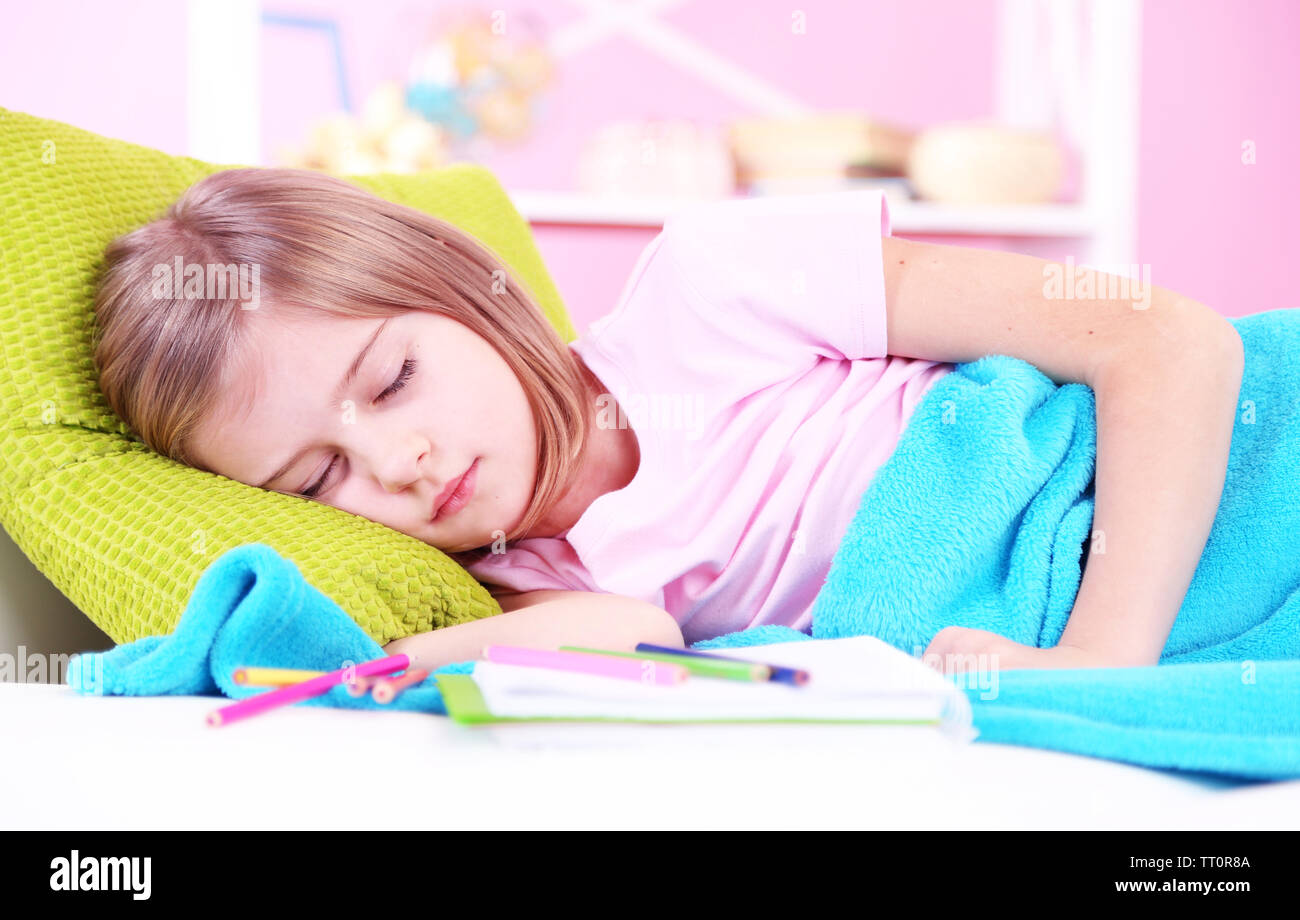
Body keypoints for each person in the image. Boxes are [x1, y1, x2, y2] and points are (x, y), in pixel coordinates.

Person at [91, 168, 1243, 676]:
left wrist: (1099, 660)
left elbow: (1171, 341)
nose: (399, 463)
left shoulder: (712, 285)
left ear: (462, 285)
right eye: (314, 479)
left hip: (1194, 463)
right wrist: (372, 664)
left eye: (393, 380)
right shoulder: (516, 574)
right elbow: (637, 644)